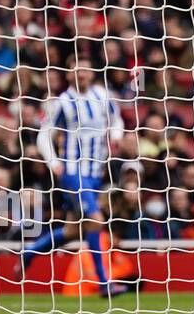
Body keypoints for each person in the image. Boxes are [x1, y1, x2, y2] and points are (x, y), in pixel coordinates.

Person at [20, 64, 129, 297]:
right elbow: (44, 135)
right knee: (96, 219)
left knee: (72, 231)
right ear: (69, 74)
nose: (82, 74)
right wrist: (53, 162)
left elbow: (117, 120)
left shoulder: (102, 96)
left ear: (92, 73)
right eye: (77, 70)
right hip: (71, 171)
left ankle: (29, 253)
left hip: (95, 172)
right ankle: (103, 282)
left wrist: (116, 136)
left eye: (86, 70)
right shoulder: (62, 101)